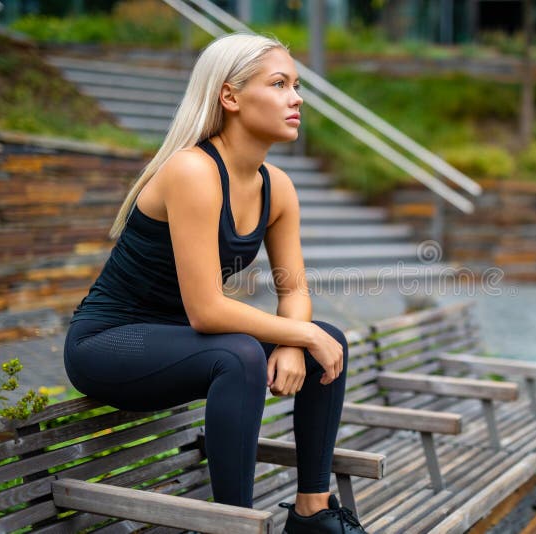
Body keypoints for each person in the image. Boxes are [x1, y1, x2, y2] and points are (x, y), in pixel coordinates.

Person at [63, 33, 368, 534]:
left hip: (184, 342)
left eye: (296, 85)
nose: (297, 98)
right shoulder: (192, 171)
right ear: (230, 97)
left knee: (326, 338)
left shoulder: (277, 187)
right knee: (241, 353)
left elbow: (293, 290)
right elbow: (207, 310)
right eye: (279, 83)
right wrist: (300, 333)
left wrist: (300, 341)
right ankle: (233, 525)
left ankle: (313, 512)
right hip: (109, 343)